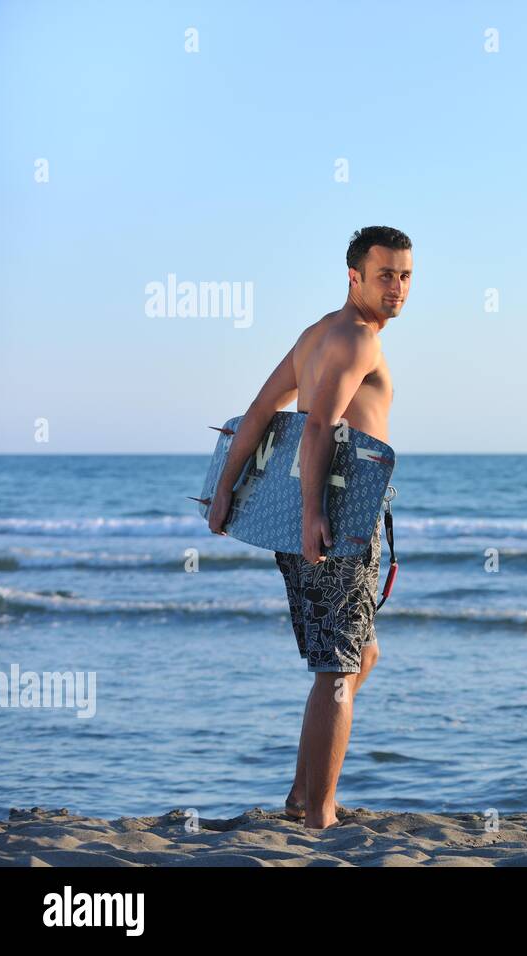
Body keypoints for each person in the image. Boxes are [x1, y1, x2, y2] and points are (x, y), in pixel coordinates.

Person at [206, 225, 411, 828]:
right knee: (339, 669)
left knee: (360, 653)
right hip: (332, 523)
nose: (396, 288)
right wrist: (313, 516)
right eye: (384, 276)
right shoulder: (356, 341)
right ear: (355, 277)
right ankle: (318, 818)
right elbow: (318, 427)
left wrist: (224, 491)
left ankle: (302, 794)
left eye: (404, 276)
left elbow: (260, 410)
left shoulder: (316, 335)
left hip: (320, 519)